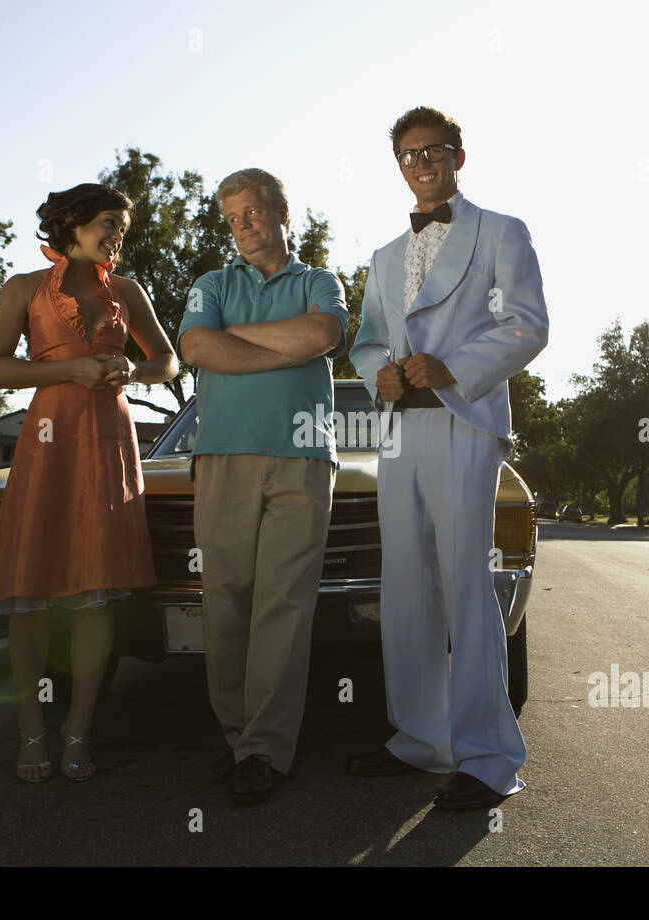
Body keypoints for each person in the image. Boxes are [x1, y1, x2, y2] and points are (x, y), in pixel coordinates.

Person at [347, 107, 549, 810]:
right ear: (399, 164)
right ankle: (420, 740)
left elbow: (527, 326)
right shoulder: (381, 258)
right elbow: (367, 340)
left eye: (434, 150)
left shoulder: (502, 232)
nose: (422, 162)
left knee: (467, 587)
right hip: (399, 431)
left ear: (459, 156)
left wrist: (451, 366)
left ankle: (489, 758)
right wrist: (381, 371)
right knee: (405, 589)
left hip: (465, 421)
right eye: (408, 154)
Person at [0, 183, 179, 782]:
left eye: (122, 225)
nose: (118, 234)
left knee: (96, 594)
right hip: (48, 441)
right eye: (108, 223)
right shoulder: (23, 289)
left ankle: (78, 732)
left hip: (110, 442)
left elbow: (168, 360)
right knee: (30, 593)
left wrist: (129, 368)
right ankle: (30, 732)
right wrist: (70, 368)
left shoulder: (128, 290)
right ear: (73, 224)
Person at [178, 168, 349, 804]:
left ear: (281, 212)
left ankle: (263, 752)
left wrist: (241, 337)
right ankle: (236, 736)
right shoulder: (212, 284)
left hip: (304, 457)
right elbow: (197, 348)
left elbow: (321, 335)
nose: (243, 226)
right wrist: (287, 348)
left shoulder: (318, 281)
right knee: (226, 597)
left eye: (252, 212)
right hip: (223, 456)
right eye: (232, 218)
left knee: (285, 602)